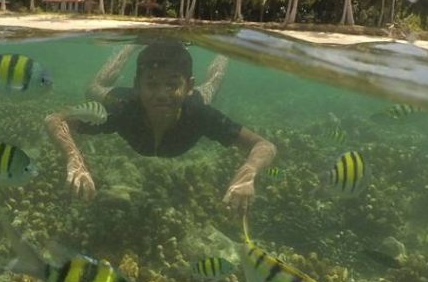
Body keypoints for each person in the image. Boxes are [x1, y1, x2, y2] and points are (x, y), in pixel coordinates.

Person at [45, 41, 276, 213]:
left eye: (173, 84)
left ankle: (224, 50)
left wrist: (248, 173)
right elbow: (55, 119)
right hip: (129, 100)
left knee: (211, 86)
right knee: (93, 89)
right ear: (137, 86)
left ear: (188, 87)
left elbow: (264, 146)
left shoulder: (199, 114)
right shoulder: (124, 110)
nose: (161, 95)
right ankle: (130, 46)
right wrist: (74, 161)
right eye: (152, 84)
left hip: (194, 102)